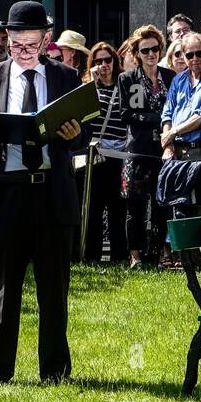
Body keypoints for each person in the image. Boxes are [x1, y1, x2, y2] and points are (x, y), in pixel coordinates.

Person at [0, 0, 89, 389]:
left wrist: (73, 134)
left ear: (46, 40)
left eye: (32, 44)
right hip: (4, 194)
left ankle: (55, 371)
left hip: (50, 193)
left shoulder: (65, 77)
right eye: (17, 44)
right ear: (7, 39)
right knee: (3, 286)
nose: (24, 51)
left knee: (53, 287)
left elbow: (84, 131)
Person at [116, 25, 175, 267]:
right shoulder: (128, 79)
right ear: (137, 53)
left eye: (155, 49)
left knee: (162, 203)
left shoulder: (170, 77)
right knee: (135, 205)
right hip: (138, 150)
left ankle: (160, 252)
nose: (151, 54)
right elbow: (127, 114)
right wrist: (159, 118)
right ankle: (135, 255)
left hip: (163, 149)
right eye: (145, 50)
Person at [83, 40, 128, 264]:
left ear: (114, 62)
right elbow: (84, 117)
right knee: (94, 206)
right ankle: (92, 254)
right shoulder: (88, 88)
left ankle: (119, 256)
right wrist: (92, 84)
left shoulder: (125, 86)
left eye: (107, 60)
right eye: (98, 61)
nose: (103, 65)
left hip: (119, 153)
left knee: (117, 207)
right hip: (96, 154)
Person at [161, 31, 201, 167]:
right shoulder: (177, 80)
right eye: (189, 55)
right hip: (175, 151)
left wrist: (173, 132)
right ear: (184, 56)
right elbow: (167, 114)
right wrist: (168, 144)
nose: (195, 58)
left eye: (199, 53)